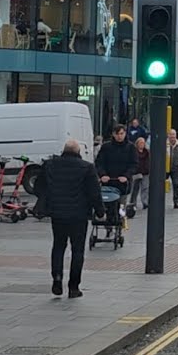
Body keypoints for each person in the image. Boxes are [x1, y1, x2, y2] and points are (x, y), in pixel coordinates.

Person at [36, 139, 103, 298]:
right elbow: (94, 192)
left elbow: (38, 186)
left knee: (58, 246)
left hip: (57, 214)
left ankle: (57, 278)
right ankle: (74, 287)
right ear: (78, 152)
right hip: (79, 216)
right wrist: (100, 211)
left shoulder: (50, 165)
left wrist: (49, 198)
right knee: (77, 250)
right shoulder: (87, 168)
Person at [95, 125, 137, 202]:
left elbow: (134, 165)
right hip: (108, 184)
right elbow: (99, 163)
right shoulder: (106, 147)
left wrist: (126, 176)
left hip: (124, 184)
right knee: (108, 207)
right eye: (117, 134)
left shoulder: (131, 147)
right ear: (113, 134)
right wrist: (102, 174)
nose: (119, 136)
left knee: (121, 207)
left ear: (125, 133)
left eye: (121, 133)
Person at [131, 137, 151, 211]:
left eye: (143, 143)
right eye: (140, 143)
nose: (142, 144)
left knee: (145, 188)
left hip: (145, 172)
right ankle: (133, 203)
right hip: (136, 173)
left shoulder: (147, 152)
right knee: (135, 189)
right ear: (137, 144)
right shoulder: (134, 152)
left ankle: (145, 203)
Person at [168, 130, 178, 208]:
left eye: (173, 135)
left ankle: (176, 202)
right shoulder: (165, 144)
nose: (172, 136)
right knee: (160, 185)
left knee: (176, 184)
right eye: (171, 135)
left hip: (175, 168)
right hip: (165, 168)